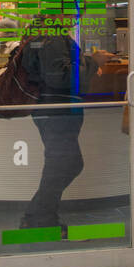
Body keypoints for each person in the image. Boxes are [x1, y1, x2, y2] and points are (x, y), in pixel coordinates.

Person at [16, 19, 86, 232]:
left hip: (50, 107)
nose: (77, 16)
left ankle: (39, 215)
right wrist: (93, 62)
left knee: (66, 163)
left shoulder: (40, 33)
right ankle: (39, 219)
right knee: (64, 163)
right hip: (58, 108)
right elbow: (59, 77)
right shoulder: (54, 37)